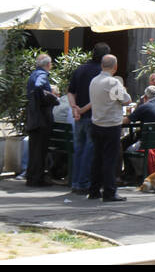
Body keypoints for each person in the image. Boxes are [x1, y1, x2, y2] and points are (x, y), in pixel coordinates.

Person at [87, 53, 132, 202]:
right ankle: (109, 192)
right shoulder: (112, 82)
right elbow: (126, 100)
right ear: (115, 67)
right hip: (111, 125)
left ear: (101, 66)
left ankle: (94, 190)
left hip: (97, 123)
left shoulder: (94, 81)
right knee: (109, 160)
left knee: (97, 158)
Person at [66, 42, 109, 194]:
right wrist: (82, 109)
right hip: (93, 116)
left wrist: (74, 108)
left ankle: (75, 182)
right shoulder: (101, 73)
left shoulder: (80, 69)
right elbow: (97, 98)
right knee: (89, 151)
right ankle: (83, 182)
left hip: (79, 117)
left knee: (79, 149)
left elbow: (70, 92)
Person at [24, 54, 60, 187]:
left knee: (34, 149)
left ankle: (31, 176)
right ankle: (37, 178)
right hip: (42, 118)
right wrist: (52, 97)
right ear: (48, 65)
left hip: (33, 117)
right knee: (40, 149)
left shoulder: (33, 74)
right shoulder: (42, 75)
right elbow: (39, 86)